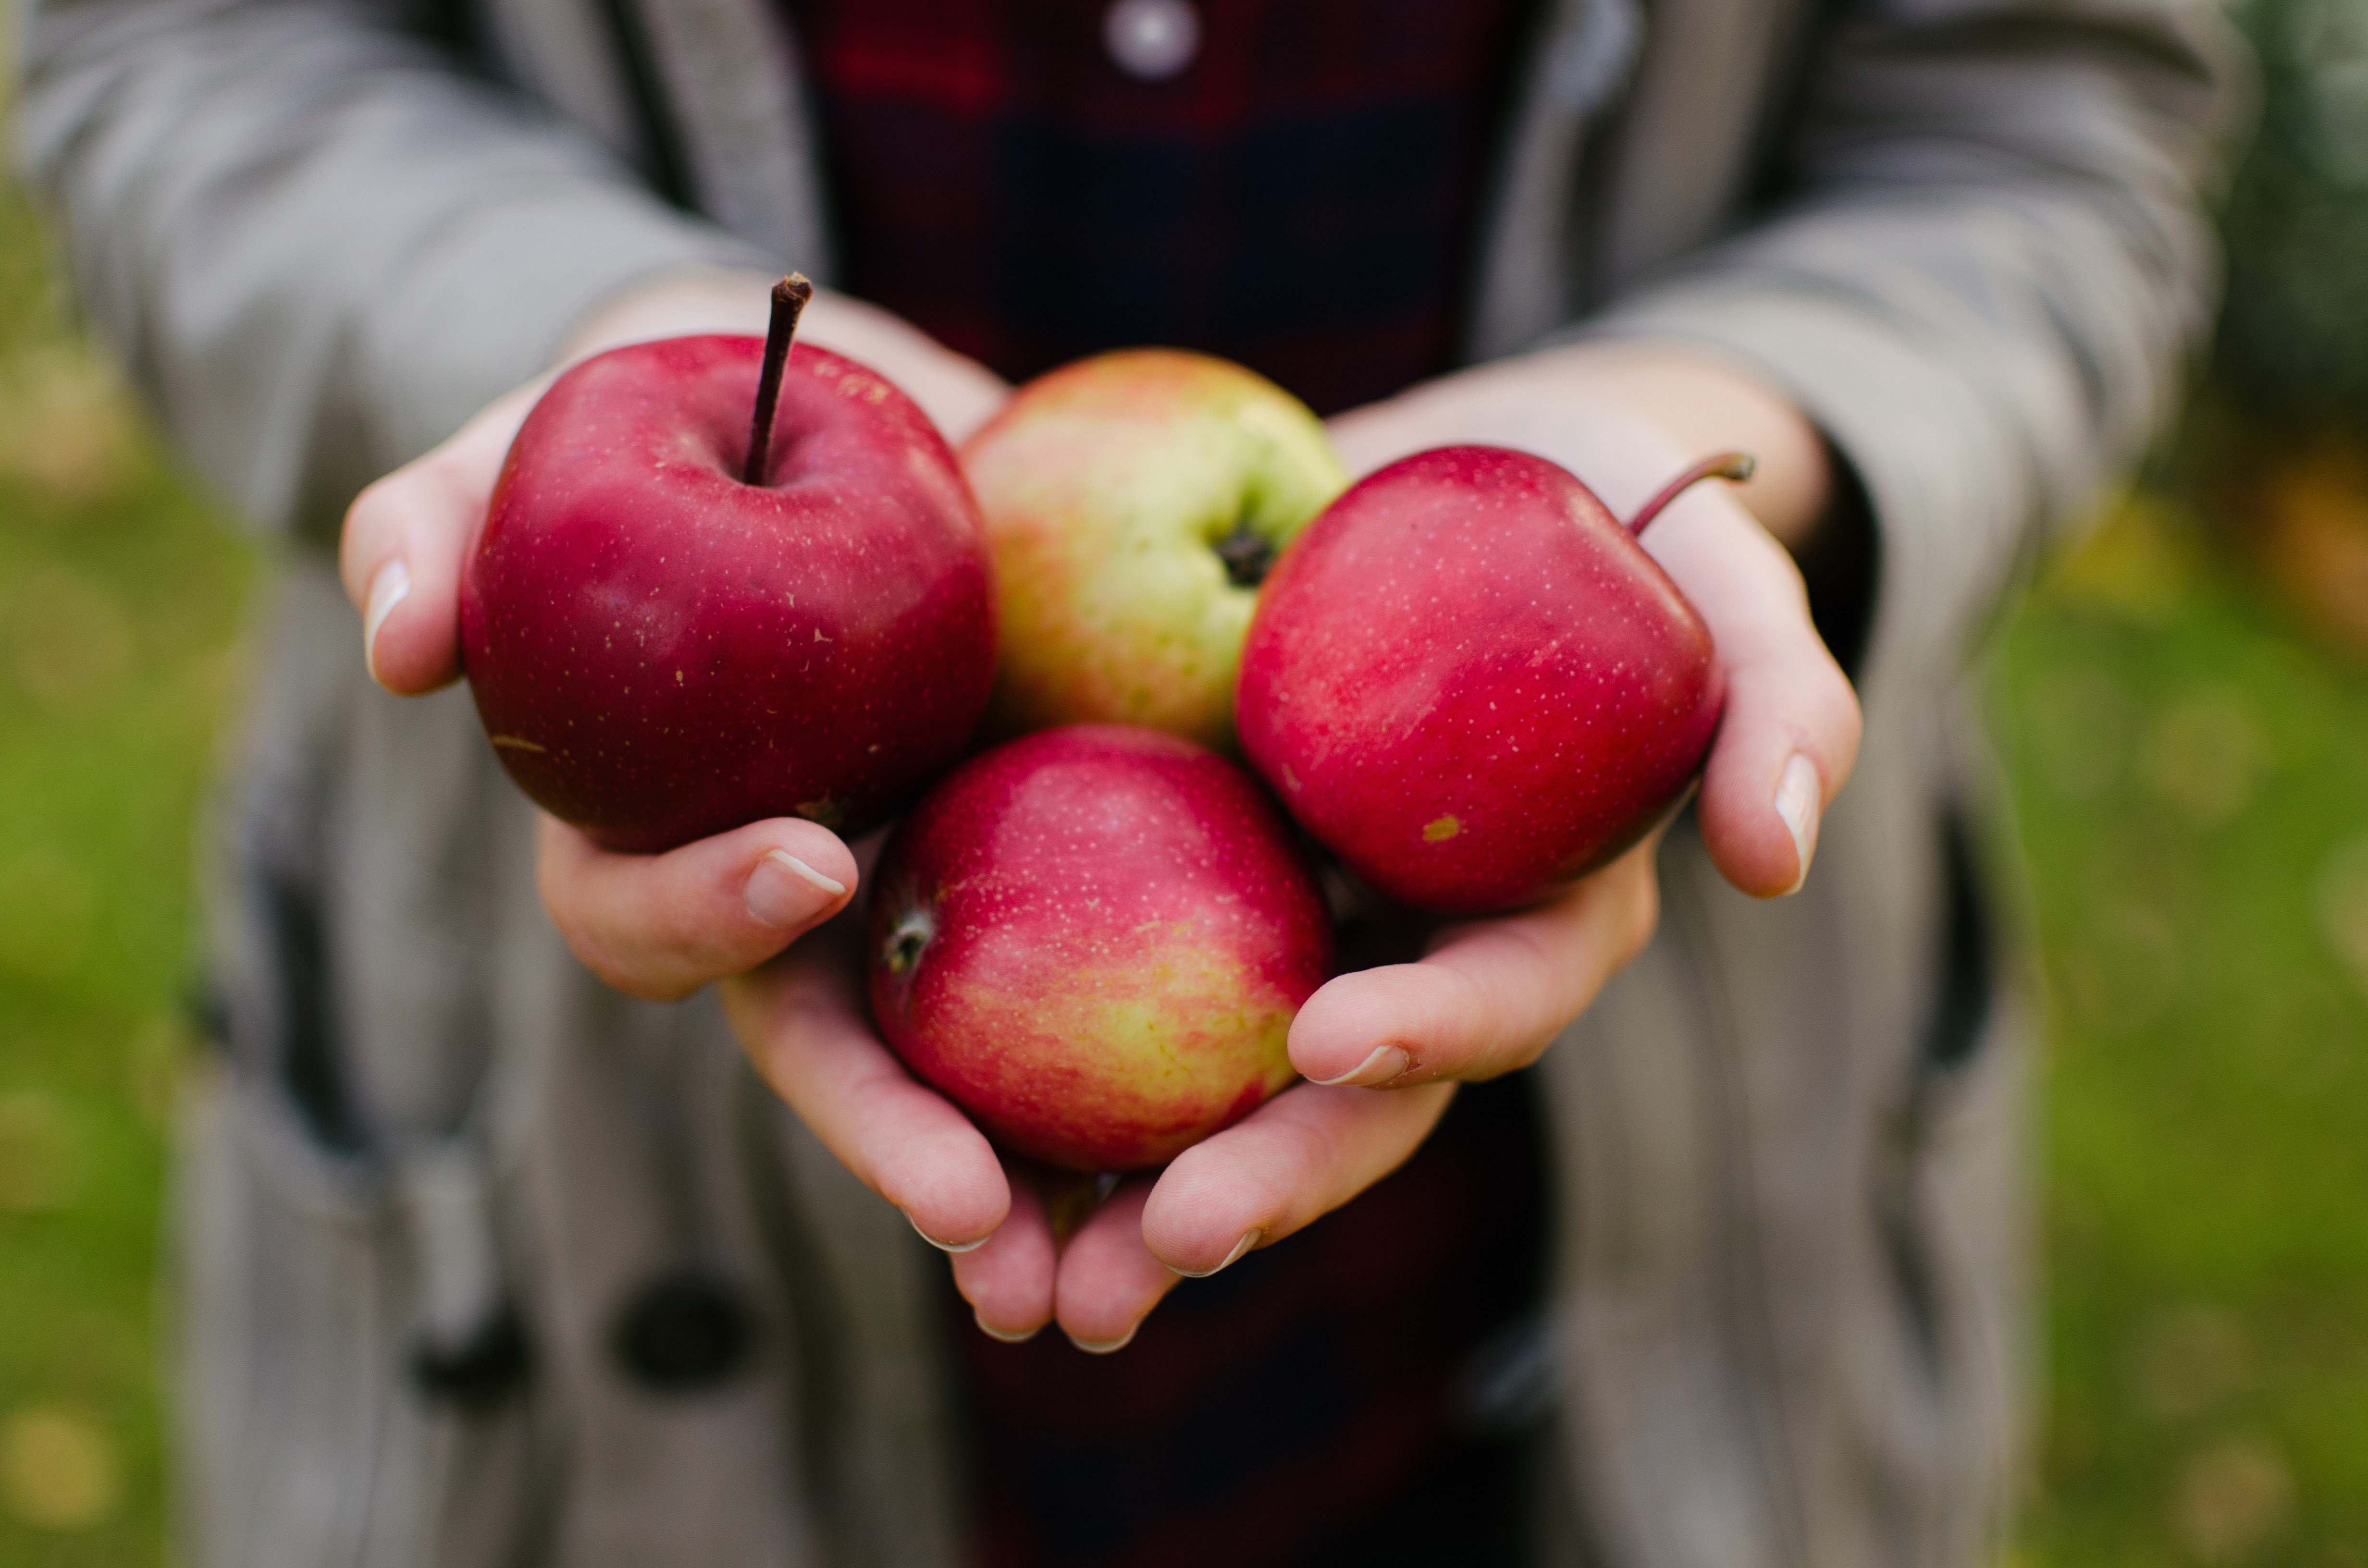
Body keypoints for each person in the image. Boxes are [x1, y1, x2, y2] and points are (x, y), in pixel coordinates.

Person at [16, 0, 2237, 1563]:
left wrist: (1759, 411)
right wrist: (587, 326)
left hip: (1601, 1264)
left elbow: (2045, 118)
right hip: (572, 1230)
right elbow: (180, 48)